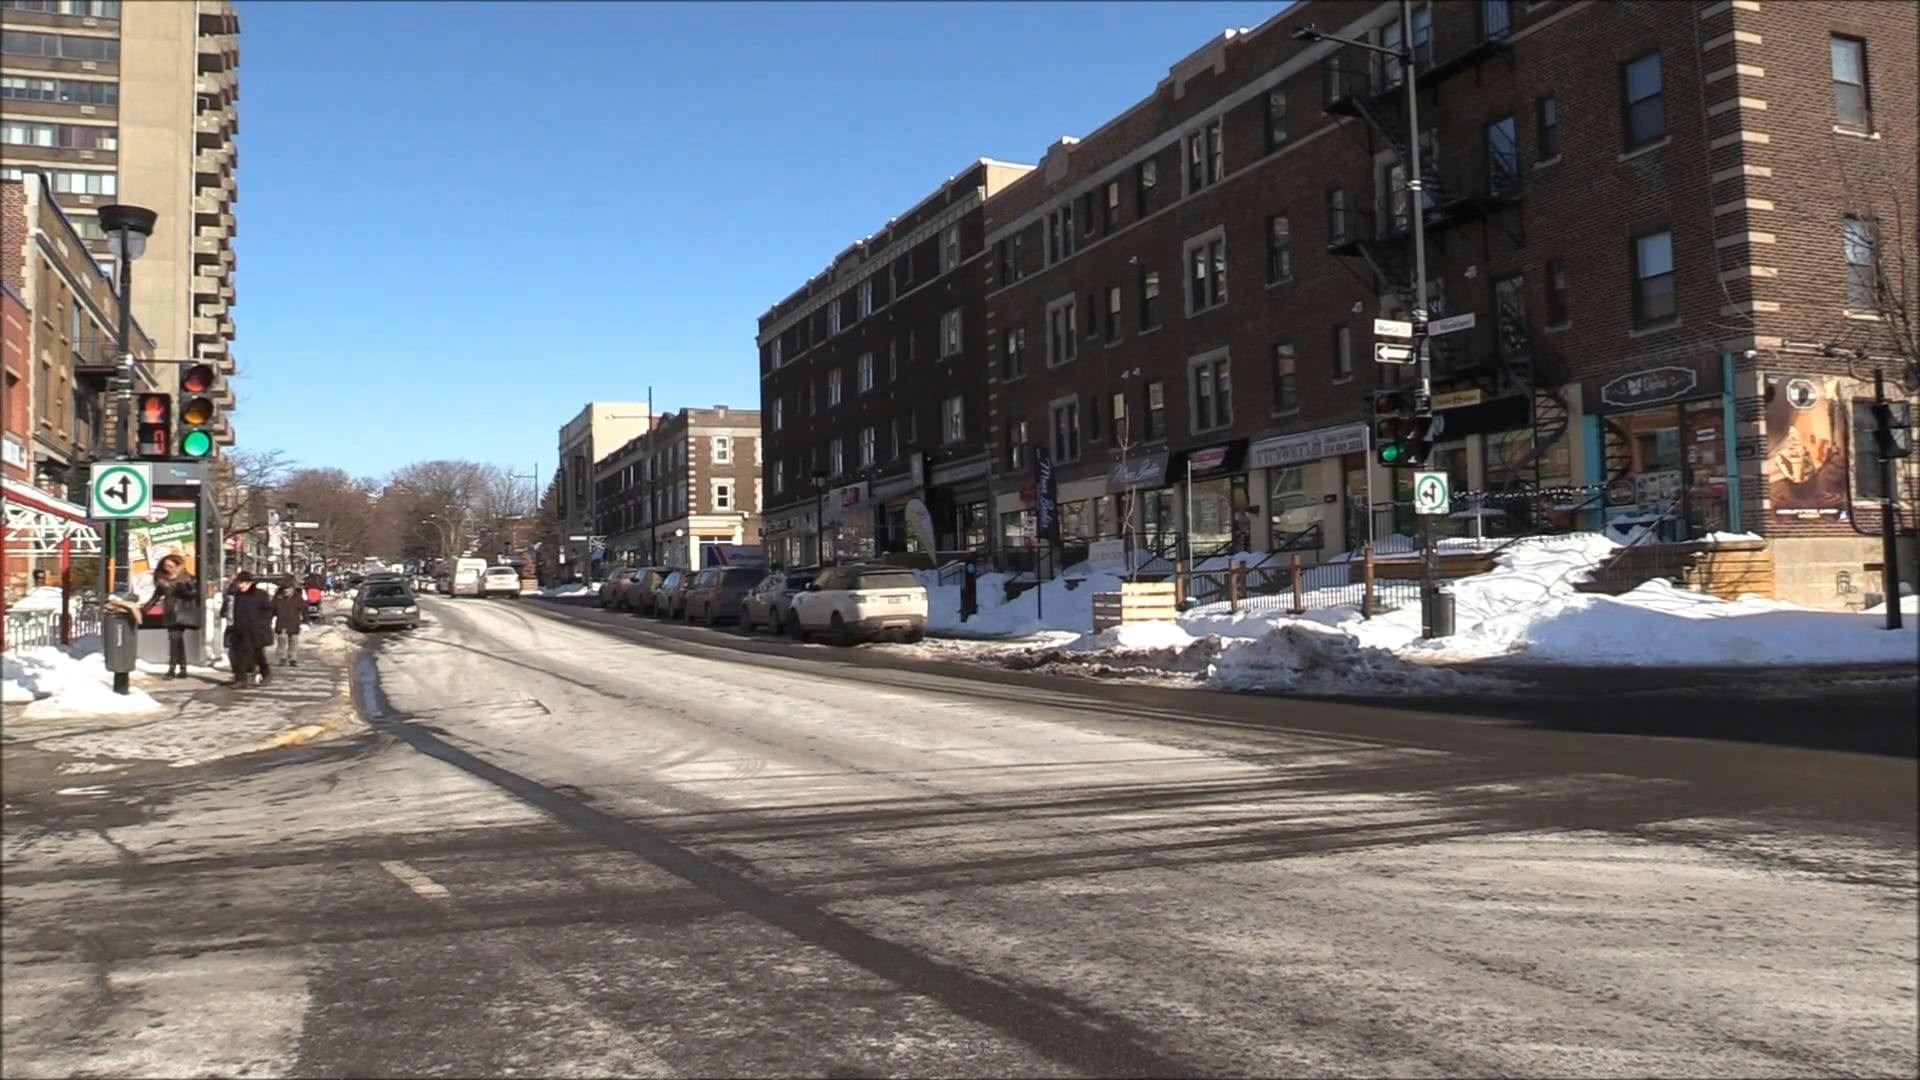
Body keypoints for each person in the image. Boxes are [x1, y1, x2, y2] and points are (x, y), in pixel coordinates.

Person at [146, 554, 203, 678]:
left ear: (178, 566)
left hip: (182, 613)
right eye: (165, 566)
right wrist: (144, 610)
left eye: (170, 566)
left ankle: (172, 669)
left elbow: (194, 594)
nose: (167, 568)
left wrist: (181, 590)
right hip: (170, 613)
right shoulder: (164, 581)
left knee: (174, 639)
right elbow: (155, 597)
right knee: (177, 640)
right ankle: (183, 669)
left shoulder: (187, 578)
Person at [225, 571, 274, 688]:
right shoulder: (237, 596)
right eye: (239, 583)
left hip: (256, 630)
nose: (241, 585)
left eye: (243, 583)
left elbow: (267, 611)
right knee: (240, 655)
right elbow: (233, 612)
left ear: (250, 583)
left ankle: (266, 673)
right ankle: (241, 679)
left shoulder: (260, 595)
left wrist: (263, 625)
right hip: (241, 630)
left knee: (258, 654)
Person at [272, 575, 306, 668]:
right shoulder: (278, 598)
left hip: (294, 623)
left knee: (293, 642)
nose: (286, 591)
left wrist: (305, 619)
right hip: (282, 623)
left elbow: (303, 608)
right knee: (282, 640)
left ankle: (292, 659)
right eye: (284, 589)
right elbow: (271, 609)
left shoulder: (297, 597)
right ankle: (282, 657)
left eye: (288, 589)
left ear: (292, 589)